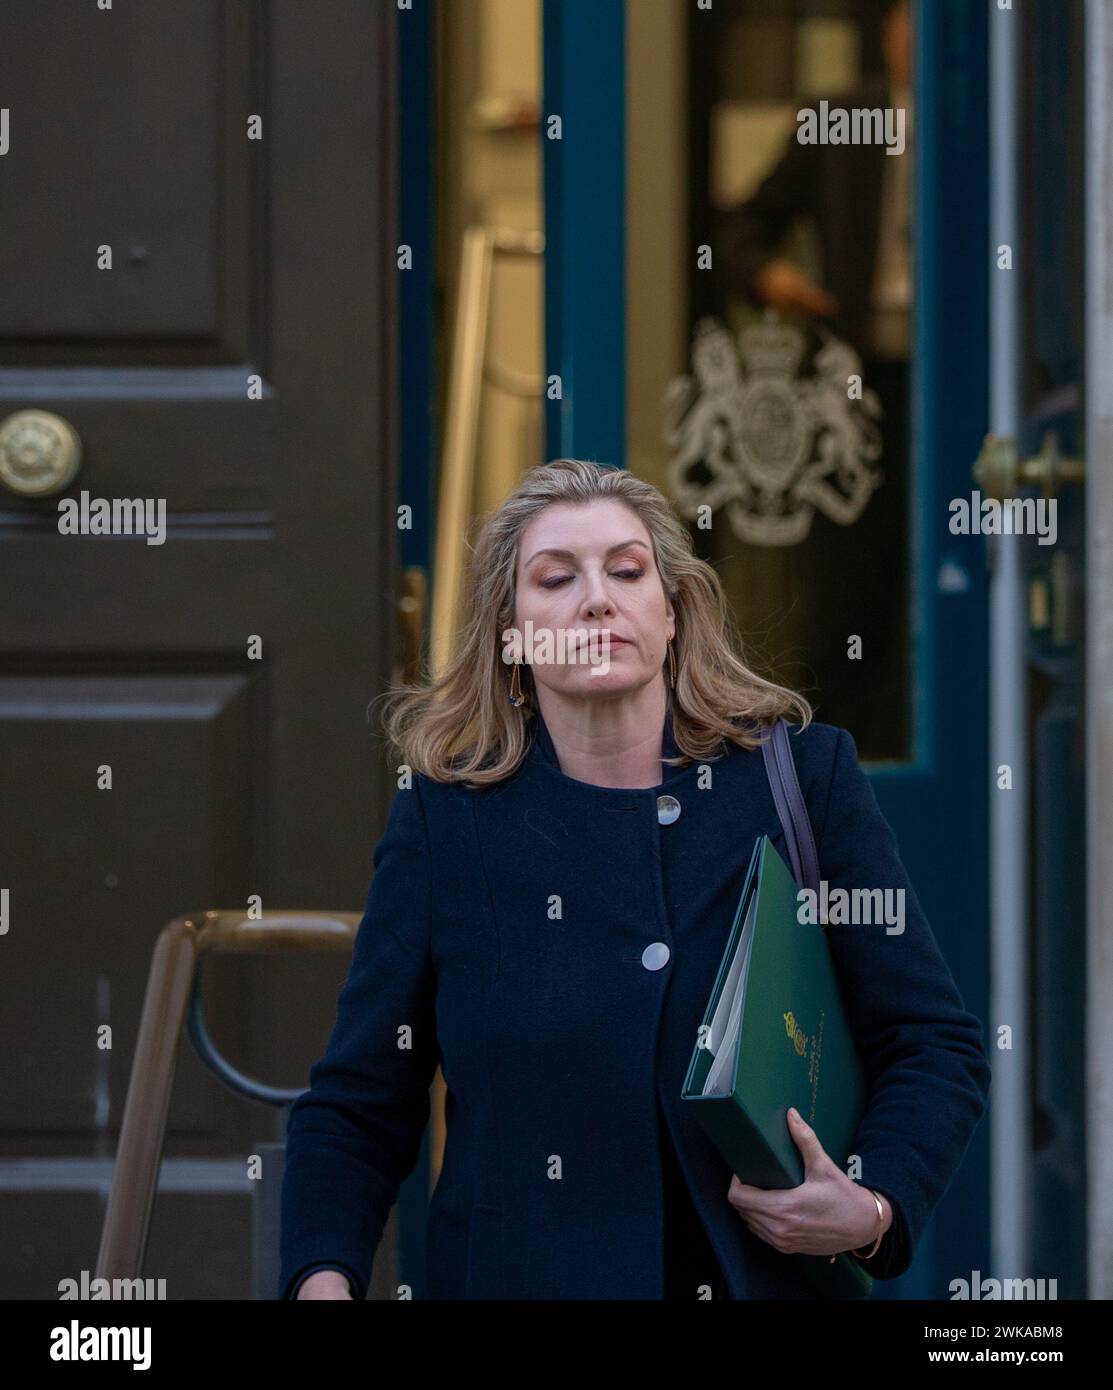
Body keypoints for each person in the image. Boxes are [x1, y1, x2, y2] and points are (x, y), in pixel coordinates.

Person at [279, 457, 991, 1300]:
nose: (595, 598)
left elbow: (930, 1044)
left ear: (672, 611)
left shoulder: (802, 780)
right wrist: (321, 1278)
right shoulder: (447, 820)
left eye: (626, 570)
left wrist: (872, 1204)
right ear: (511, 631)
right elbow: (362, 1099)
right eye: (554, 578)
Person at [714, 0, 914, 755]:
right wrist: (770, 278)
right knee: (848, 587)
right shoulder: (844, 117)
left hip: (957, 379)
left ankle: (931, 749)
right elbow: (740, 223)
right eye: (908, 21)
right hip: (852, 381)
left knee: (947, 571)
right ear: (888, 32)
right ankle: (840, 762)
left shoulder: (983, 128)